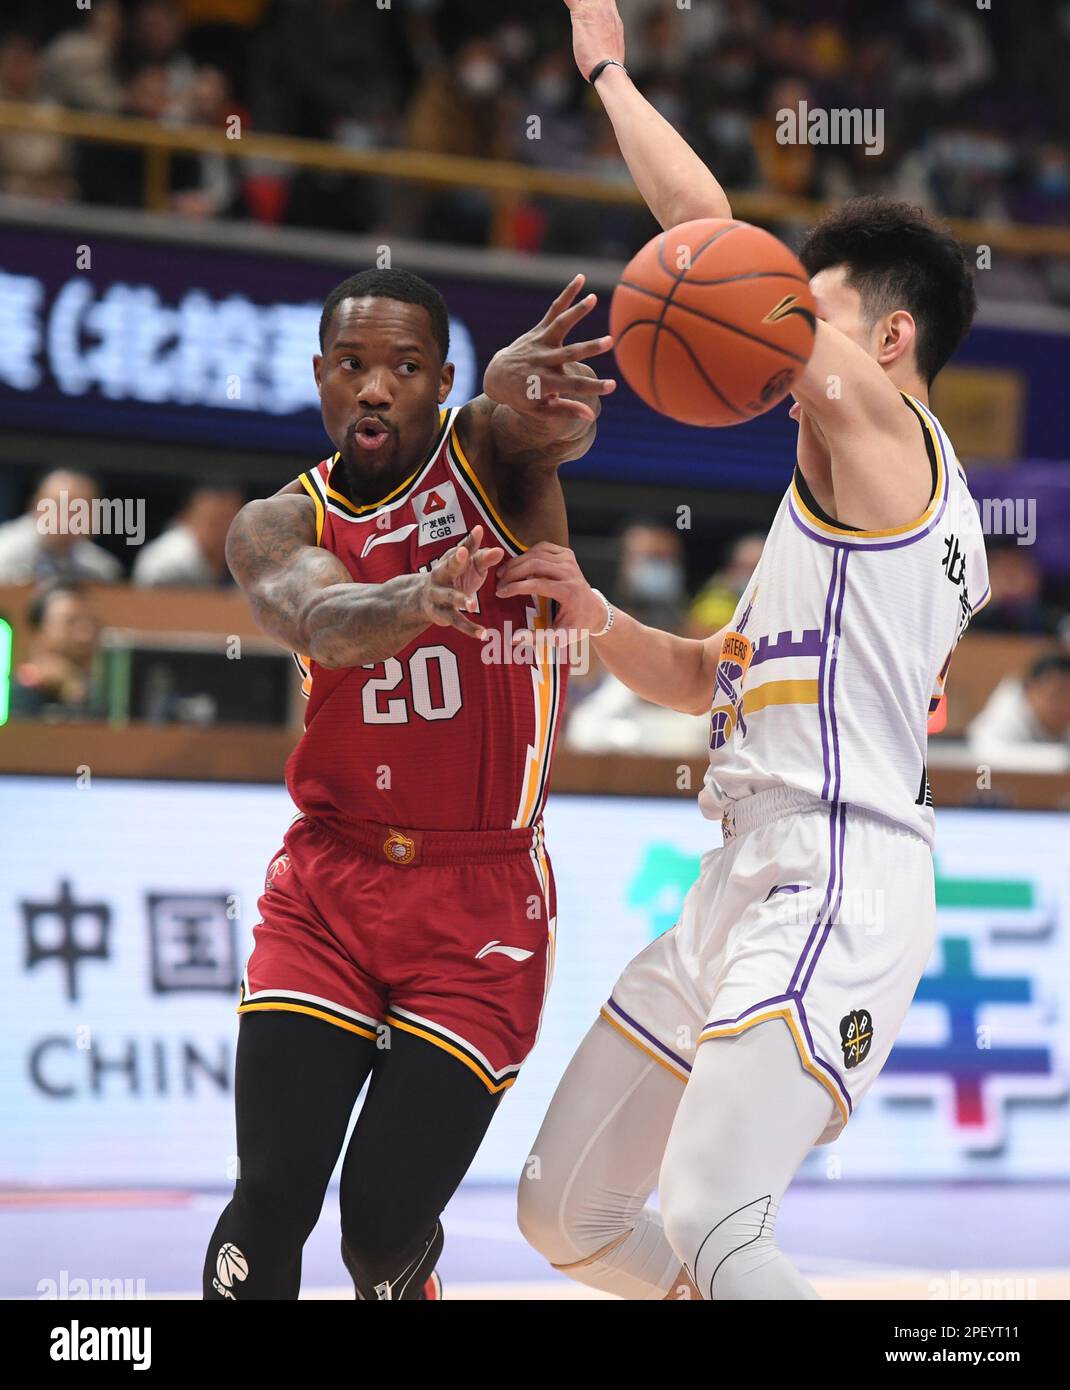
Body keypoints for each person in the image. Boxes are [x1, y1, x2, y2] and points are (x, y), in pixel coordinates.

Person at [511, 0, 987, 1300]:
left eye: (809, 311)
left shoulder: (889, 446)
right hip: (741, 873)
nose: (781, 331)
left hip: (834, 865)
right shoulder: (832, 518)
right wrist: (597, 616)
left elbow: (697, 235)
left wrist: (604, 69)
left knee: (716, 1212)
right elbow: (708, 677)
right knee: (567, 1210)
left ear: (883, 342)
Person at [202, 265, 614, 1300]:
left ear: (440, 381)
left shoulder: (490, 456)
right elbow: (321, 625)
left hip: (478, 901)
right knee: (273, 1192)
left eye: (404, 367)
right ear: (319, 377)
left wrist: (530, 397)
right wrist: (419, 599)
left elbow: (537, 426)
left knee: (380, 1225)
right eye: (352, 366)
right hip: (328, 887)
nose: (374, 388)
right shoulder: (272, 525)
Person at [0, 470, 123, 585]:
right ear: (35, 506)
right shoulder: (5, 552)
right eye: (60, 506)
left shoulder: (101, 569)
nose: (70, 518)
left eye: (81, 509)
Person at [8, 582, 104, 719]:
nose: (85, 635)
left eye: (92, 623)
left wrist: (75, 691)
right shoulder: (14, 693)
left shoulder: (104, 695)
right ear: (37, 631)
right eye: (70, 622)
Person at [132, 480, 244, 586]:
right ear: (186, 518)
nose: (224, 530)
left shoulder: (240, 555)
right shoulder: (170, 559)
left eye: (231, 522)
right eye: (214, 522)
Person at [966, 650, 1070, 757]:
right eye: (1056, 695)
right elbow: (984, 752)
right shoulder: (1004, 717)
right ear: (1029, 690)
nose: (1064, 705)